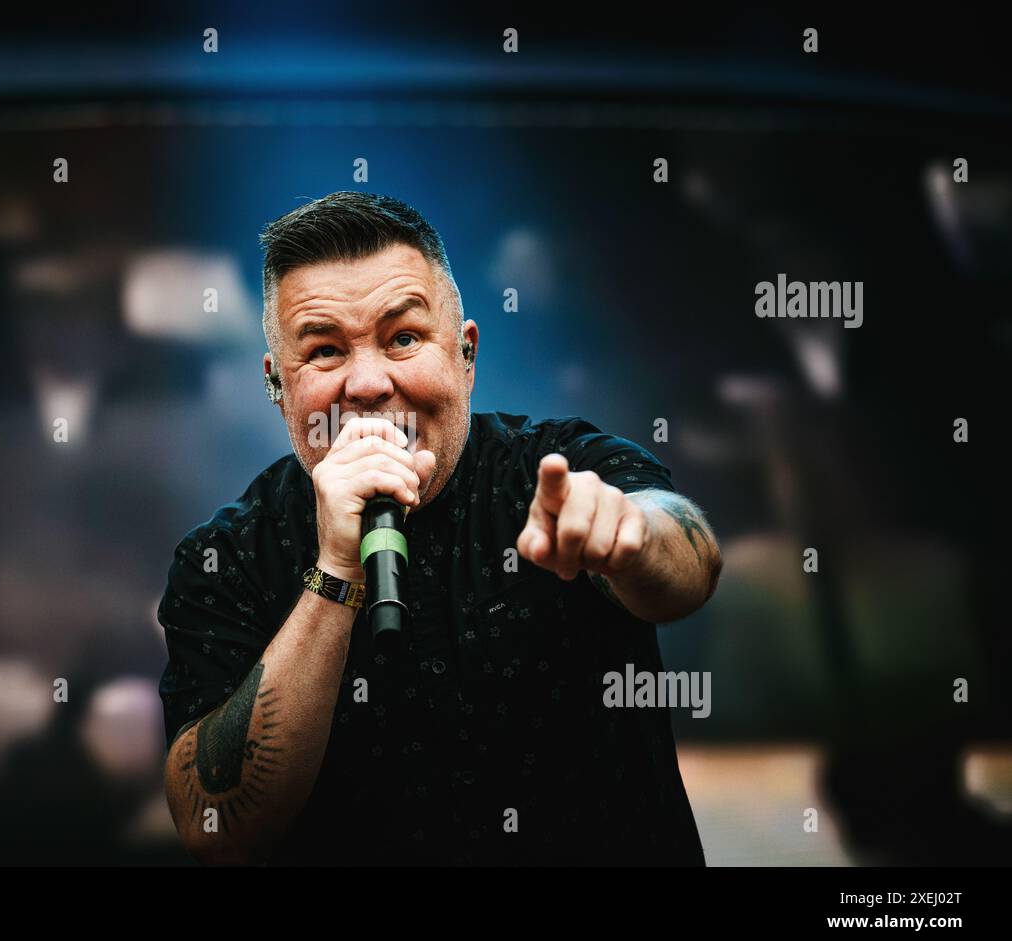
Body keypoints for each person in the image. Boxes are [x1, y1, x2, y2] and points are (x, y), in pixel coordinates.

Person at [157, 192, 723, 865]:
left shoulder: (556, 468)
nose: (367, 383)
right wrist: (336, 573)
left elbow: (691, 563)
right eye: (326, 351)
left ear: (465, 352)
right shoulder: (226, 557)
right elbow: (214, 825)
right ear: (277, 383)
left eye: (403, 338)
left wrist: (631, 537)